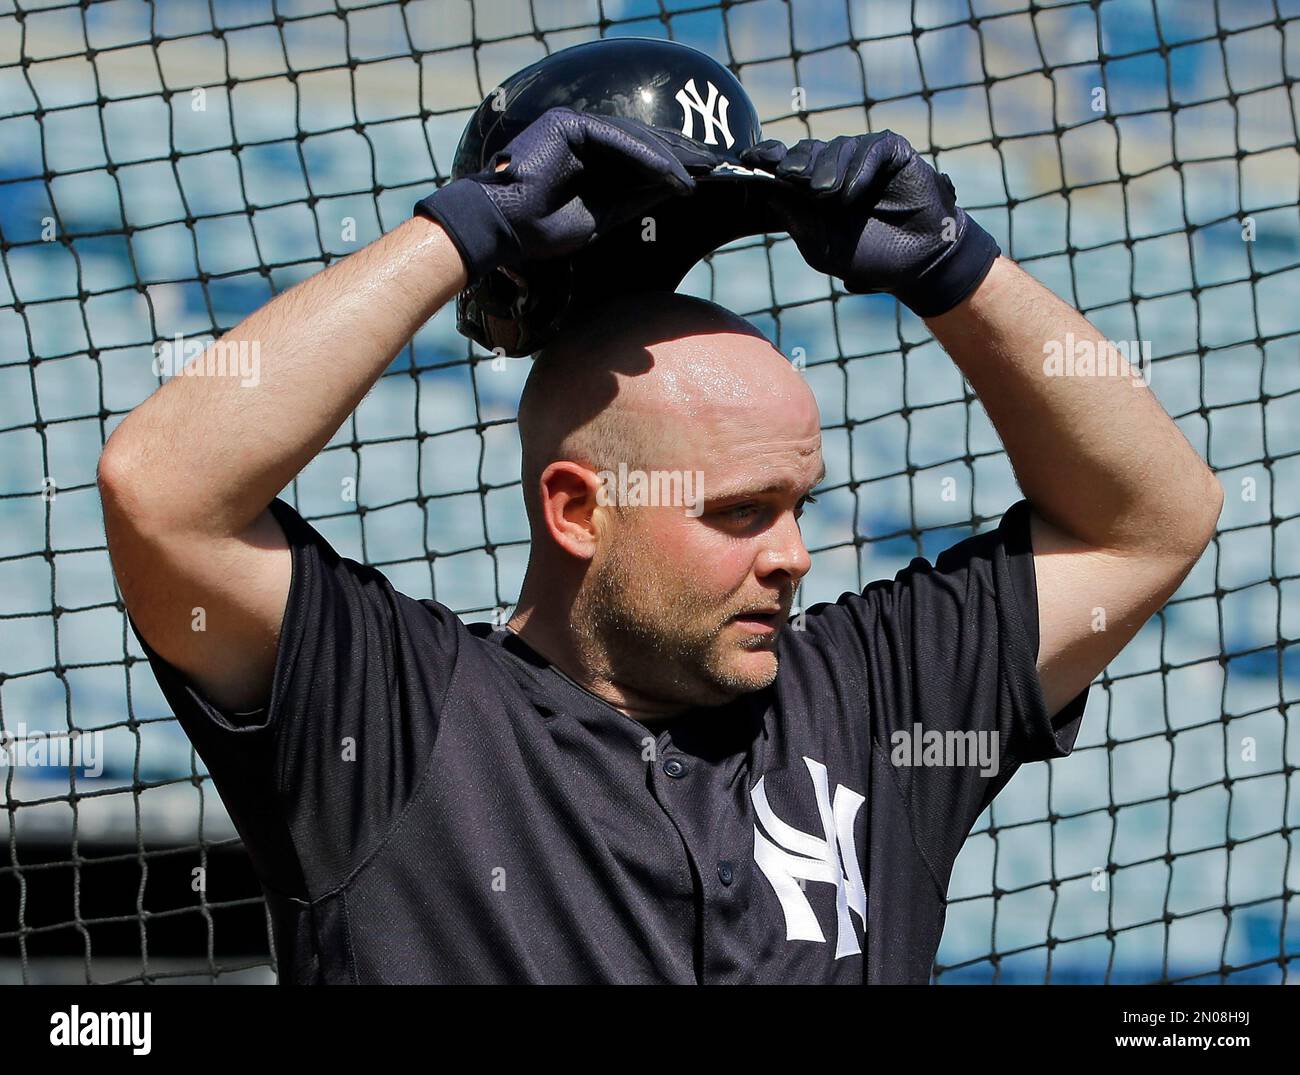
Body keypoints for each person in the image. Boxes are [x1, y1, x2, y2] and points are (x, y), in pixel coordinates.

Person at [97, 103, 1222, 983]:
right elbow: (162, 491)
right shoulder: (392, 720)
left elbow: (1153, 520)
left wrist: (952, 266)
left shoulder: (875, 704)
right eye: (737, 512)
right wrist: (465, 228)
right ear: (577, 509)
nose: (792, 554)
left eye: (796, 503)